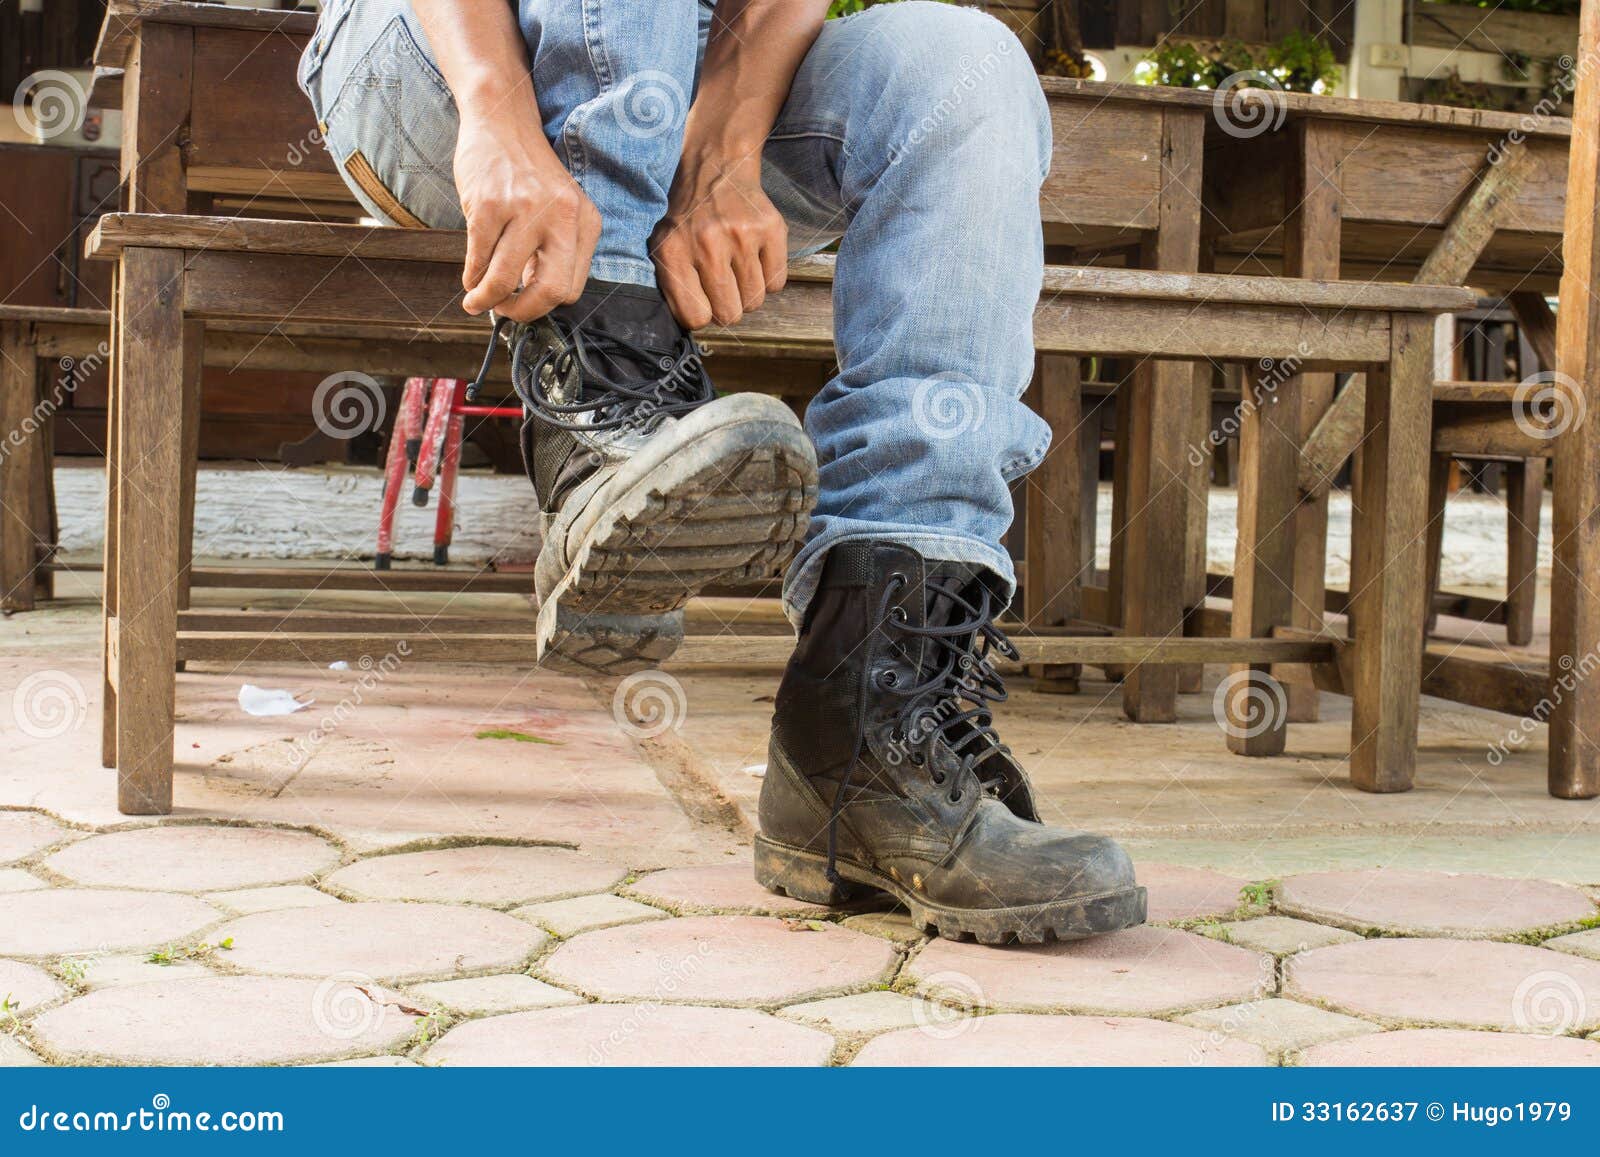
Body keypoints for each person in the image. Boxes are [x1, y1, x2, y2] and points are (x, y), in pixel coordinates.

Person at [299, 0, 1144, 942]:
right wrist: (497, 106)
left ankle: (864, 727)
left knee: (965, 64)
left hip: (696, 78)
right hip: (441, 64)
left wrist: (723, 156)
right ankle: (597, 416)